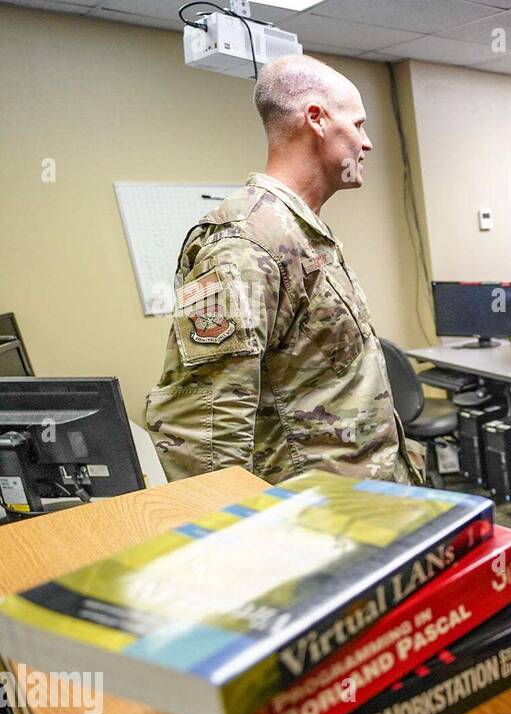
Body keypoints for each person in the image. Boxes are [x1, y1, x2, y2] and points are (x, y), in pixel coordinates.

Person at [146, 55, 422, 485]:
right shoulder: (245, 241)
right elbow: (204, 429)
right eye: (358, 125)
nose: (366, 144)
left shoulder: (301, 230)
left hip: (364, 504)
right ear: (316, 118)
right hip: (316, 523)